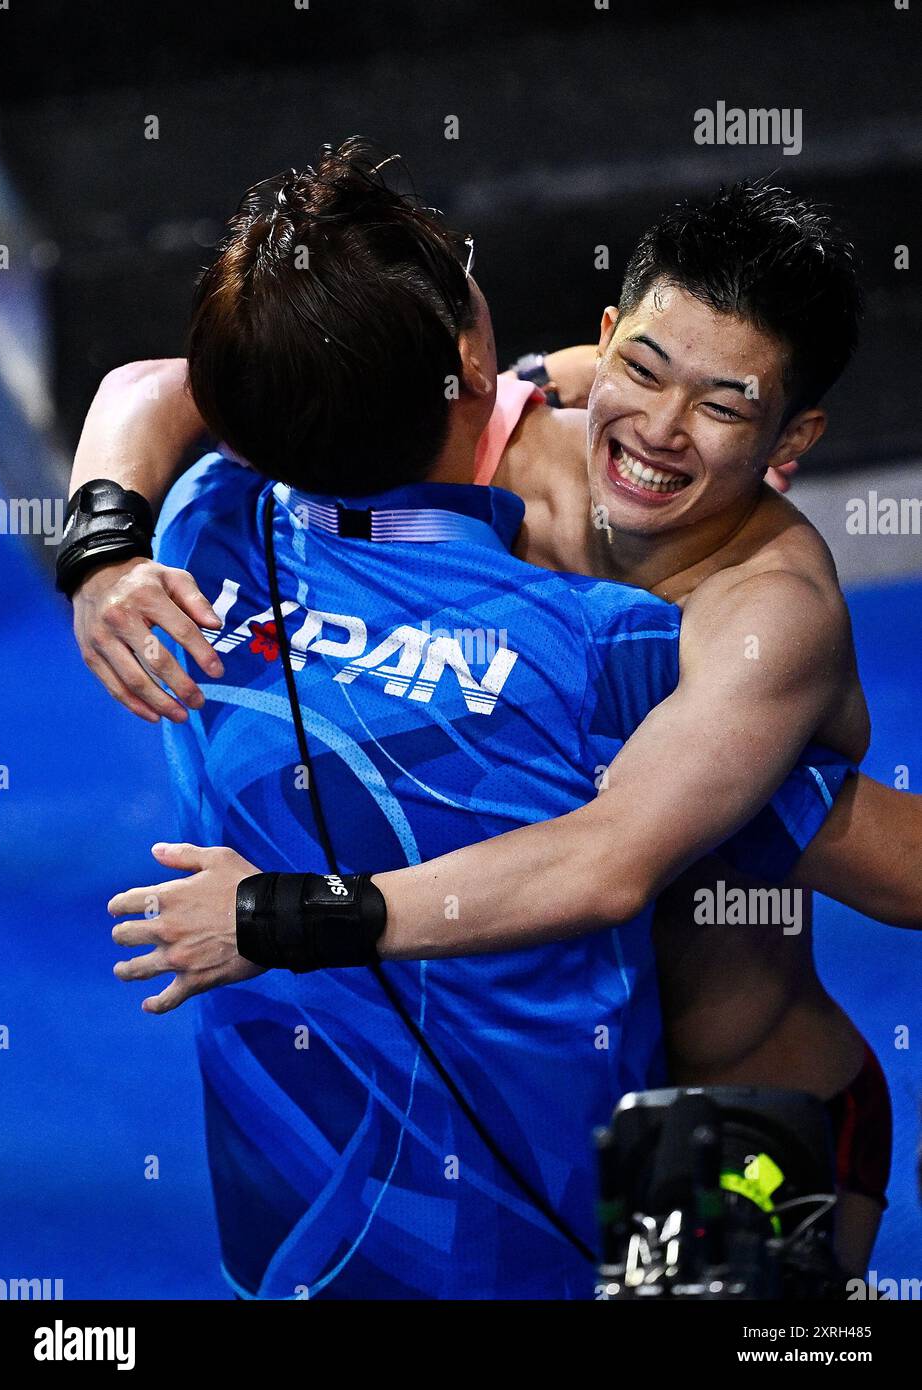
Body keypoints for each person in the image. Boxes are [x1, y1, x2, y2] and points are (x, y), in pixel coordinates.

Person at [65, 151, 916, 1283]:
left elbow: (621, 861)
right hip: (541, 1086)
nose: (660, 430)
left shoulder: (761, 617)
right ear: (602, 343)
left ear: (789, 444)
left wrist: (278, 916)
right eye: (644, 371)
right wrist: (102, 552)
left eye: (723, 406)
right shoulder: (511, 422)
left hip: (728, 1117)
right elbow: (167, 385)